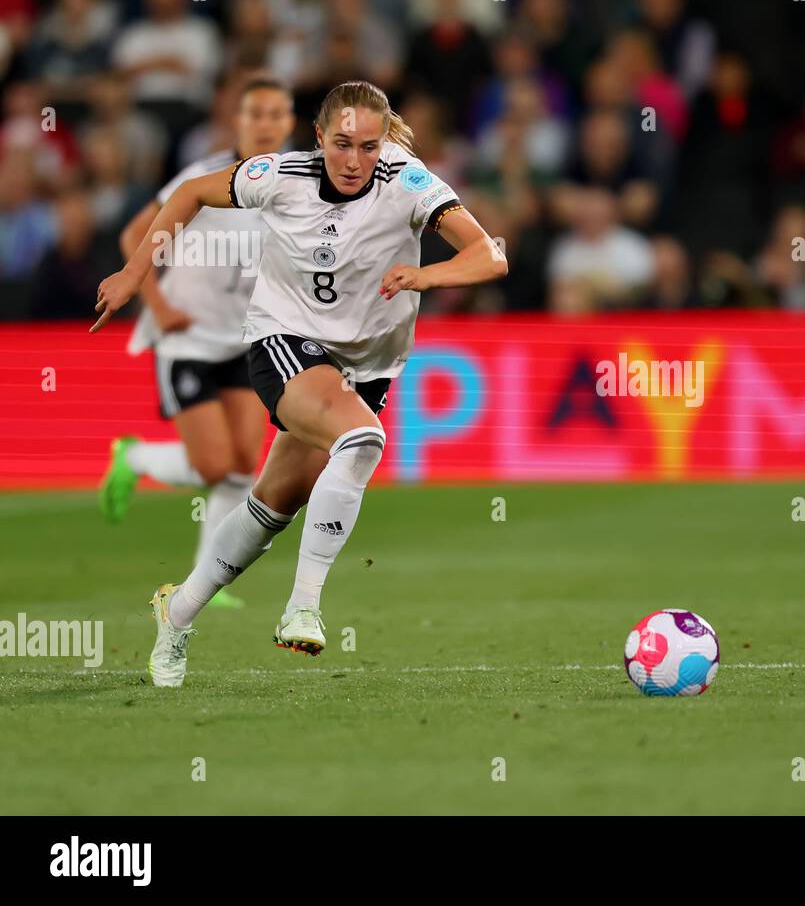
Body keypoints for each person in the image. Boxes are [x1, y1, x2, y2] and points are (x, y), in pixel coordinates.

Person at [91, 80, 507, 687]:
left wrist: (428, 275)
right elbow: (189, 194)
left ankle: (175, 613)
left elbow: (489, 255)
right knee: (362, 442)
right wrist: (134, 275)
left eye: (368, 146)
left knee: (271, 505)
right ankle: (304, 605)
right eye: (341, 144)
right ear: (319, 137)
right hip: (284, 340)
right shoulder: (278, 175)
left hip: (367, 365)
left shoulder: (408, 182)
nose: (353, 160)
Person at [98, 76, 295, 611]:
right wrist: (158, 307)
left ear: (290, 122)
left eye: (277, 114)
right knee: (212, 466)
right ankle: (134, 456)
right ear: (239, 121)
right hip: (186, 338)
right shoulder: (202, 176)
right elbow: (133, 234)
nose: (266, 123)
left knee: (238, 467)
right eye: (256, 113)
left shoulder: (295, 182)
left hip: (243, 339)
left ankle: (208, 579)